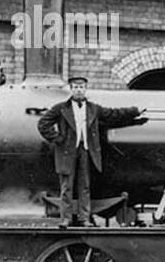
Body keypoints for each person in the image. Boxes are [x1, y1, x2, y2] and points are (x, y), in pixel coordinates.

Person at [37, 76, 148, 227]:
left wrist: (134, 111)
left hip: (86, 151)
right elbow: (43, 123)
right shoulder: (61, 108)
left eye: (81, 87)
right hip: (67, 152)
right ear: (71, 89)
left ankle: (85, 218)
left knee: (85, 186)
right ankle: (65, 219)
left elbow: (113, 114)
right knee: (67, 187)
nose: (78, 90)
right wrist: (58, 139)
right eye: (75, 87)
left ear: (85, 89)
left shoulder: (93, 108)